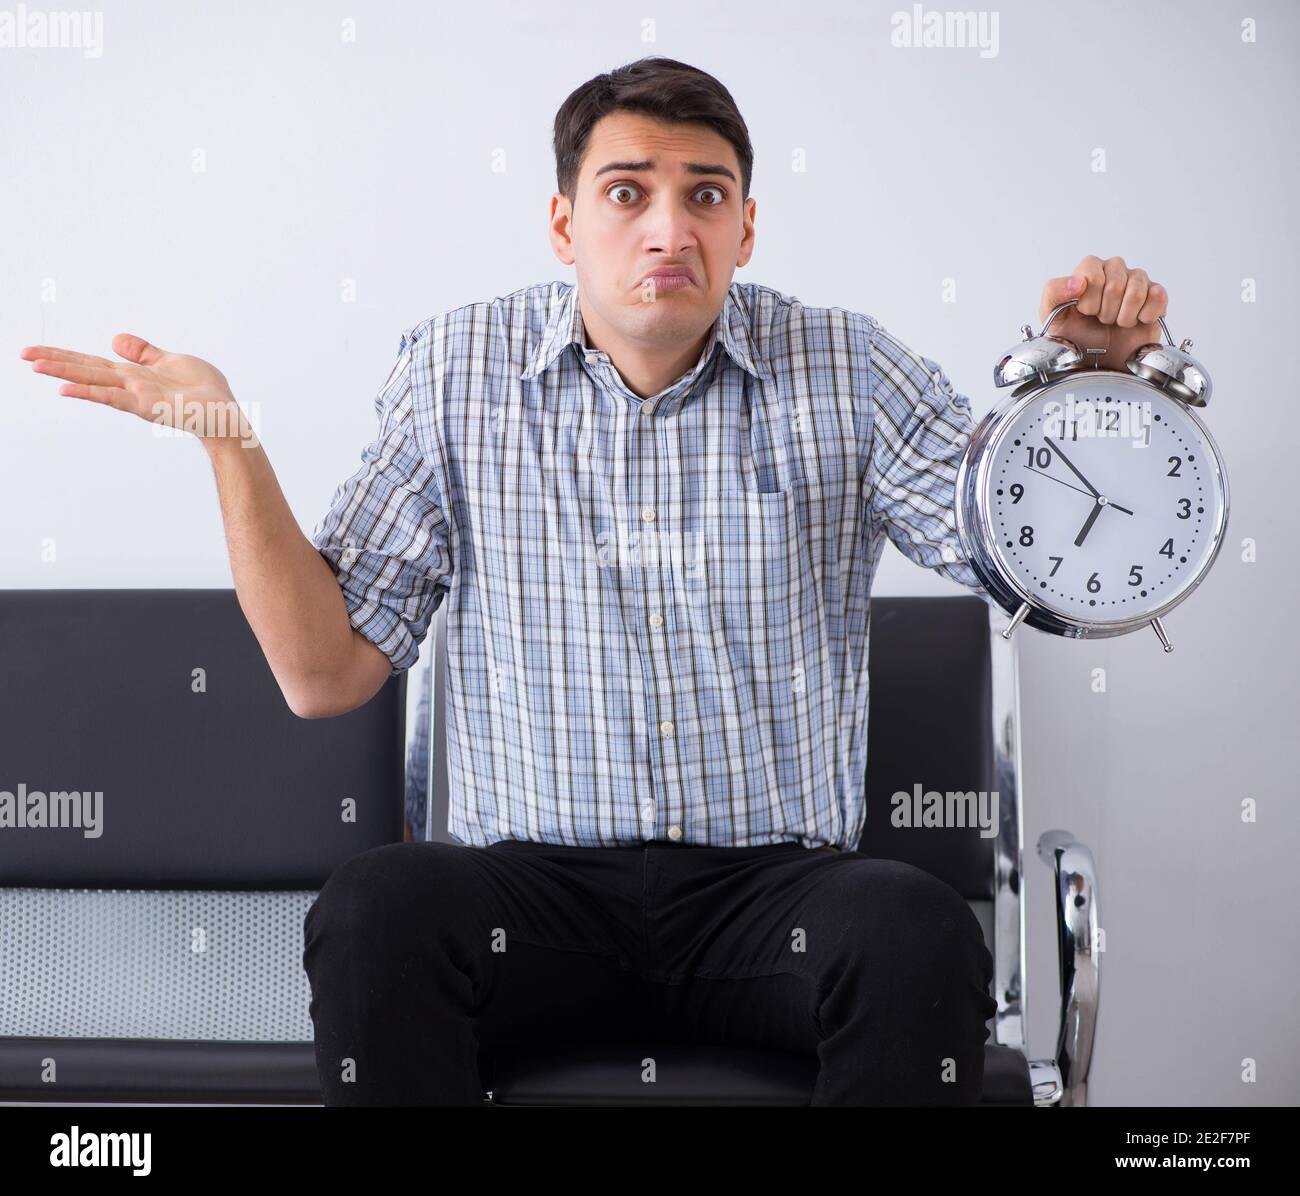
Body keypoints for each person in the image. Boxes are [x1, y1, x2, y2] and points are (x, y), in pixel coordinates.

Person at [20, 56, 1168, 1106]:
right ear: (564, 223)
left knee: (912, 922)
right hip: (530, 904)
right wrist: (230, 437)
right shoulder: (455, 369)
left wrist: (1082, 398)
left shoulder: (848, 368)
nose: (669, 227)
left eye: (705, 195)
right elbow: (325, 673)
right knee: (379, 907)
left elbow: (1015, 561)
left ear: (747, 227)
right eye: (627, 192)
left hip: (771, 904)